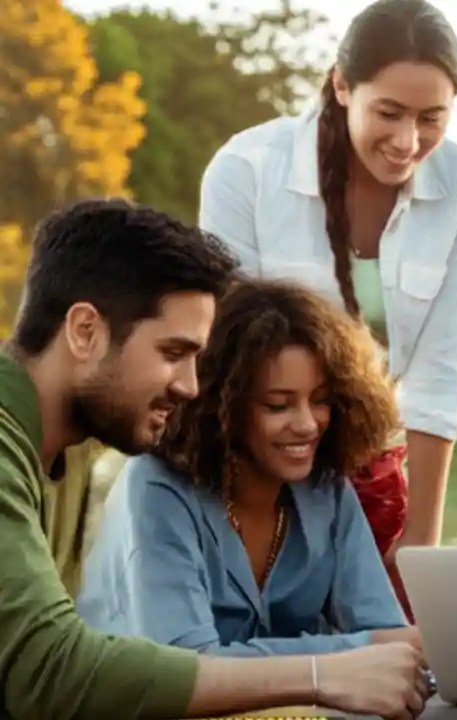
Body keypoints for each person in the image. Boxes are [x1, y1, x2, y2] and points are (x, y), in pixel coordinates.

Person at [0, 199, 425, 719]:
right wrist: (324, 673)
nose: (190, 386)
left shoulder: (62, 452)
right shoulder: (17, 449)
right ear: (85, 330)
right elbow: (50, 671)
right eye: (173, 353)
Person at [199, 0, 457, 561]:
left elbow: (442, 371)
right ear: (341, 86)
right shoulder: (248, 171)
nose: (408, 141)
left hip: (378, 474)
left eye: (431, 117)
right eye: (389, 112)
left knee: (396, 641)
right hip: (260, 476)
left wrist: (420, 543)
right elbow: (231, 360)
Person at [78, 279, 416, 656]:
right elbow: (190, 665)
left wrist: (375, 648)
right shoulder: (157, 488)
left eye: (320, 401)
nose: (307, 424)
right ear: (222, 408)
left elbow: (390, 638)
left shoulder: (327, 486)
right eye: (277, 405)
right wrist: (359, 649)